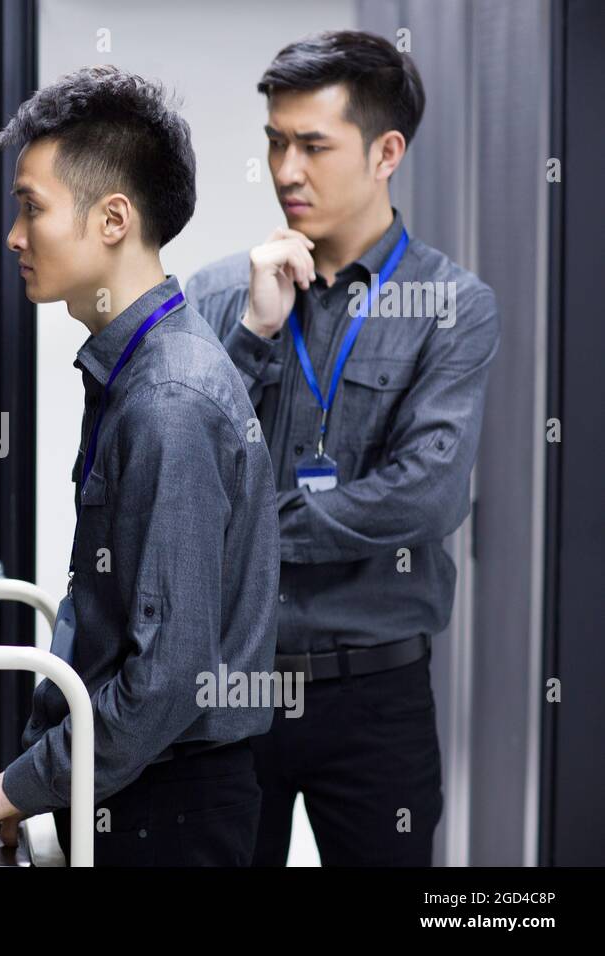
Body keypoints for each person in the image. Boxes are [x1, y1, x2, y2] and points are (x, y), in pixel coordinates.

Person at [0, 64, 280, 866]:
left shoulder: (168, 399)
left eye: (31, 208)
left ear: (112, 218)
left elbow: (168, 677)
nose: (14, 235)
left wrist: (11, 789)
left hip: (170, 807)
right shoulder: (139, 371)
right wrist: (32, 783)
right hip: (139, 786)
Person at [185, 30, 500, 866]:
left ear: (385, 151)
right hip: (230, 687)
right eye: (275, 142)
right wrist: (254, 334)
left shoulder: (454, 308)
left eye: (313, 145)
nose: (286, 170)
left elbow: (427, 496)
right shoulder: (218, 294)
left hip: (376, 697)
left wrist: (246, 526)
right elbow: (180, 477)